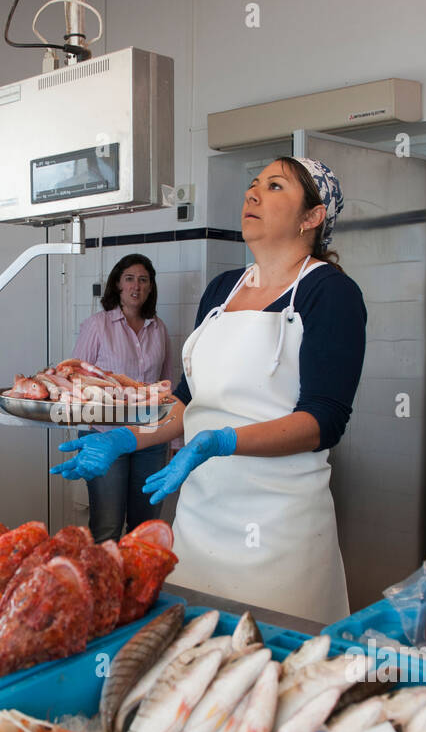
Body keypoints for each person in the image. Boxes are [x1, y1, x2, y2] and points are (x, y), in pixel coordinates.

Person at [51, 159, 367, 622]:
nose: (252, 195)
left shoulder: (331, 294)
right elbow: (187, 401)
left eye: (274, 186)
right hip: (200, 518)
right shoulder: (221, 290)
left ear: (312, 217)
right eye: (252, 184)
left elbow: (324, 419)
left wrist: (223, 441)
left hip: (279, 526)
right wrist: (127, 437)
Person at [67, 253, 172, 542]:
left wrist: (174, 441)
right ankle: (104, 586)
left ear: (150, 288)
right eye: (129, 279)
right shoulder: (97, 325)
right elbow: (75, 378)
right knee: (107, 527)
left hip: (151, 436)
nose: (136, 286)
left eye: (143, 280)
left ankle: (138, 586)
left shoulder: (159, 328)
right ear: (117, 284)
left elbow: (167, 387)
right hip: (105, 435)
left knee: (144, 529)